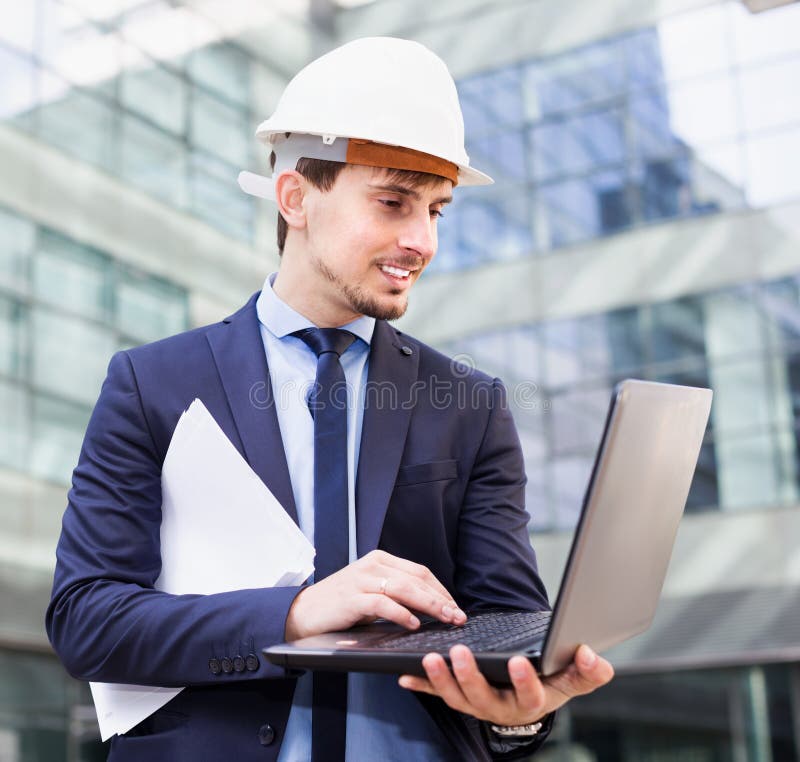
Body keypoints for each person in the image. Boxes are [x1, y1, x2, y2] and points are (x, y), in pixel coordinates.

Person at [46, 37, 613, 762]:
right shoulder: (151, 383)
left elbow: (506, 628)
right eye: (393, 202)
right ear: (296, 199)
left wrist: (517, 715)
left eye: (437, 210)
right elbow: (87, 621)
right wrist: (297, 612)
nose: (422, 240)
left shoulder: (470, 405)